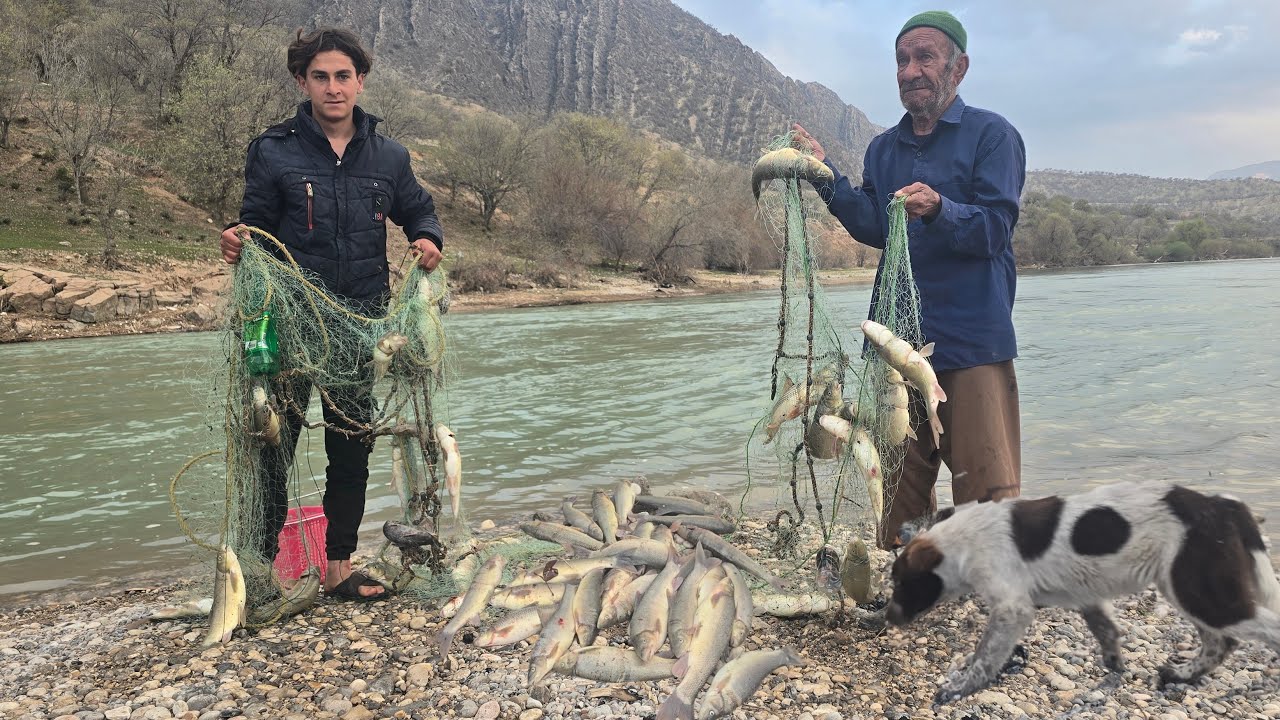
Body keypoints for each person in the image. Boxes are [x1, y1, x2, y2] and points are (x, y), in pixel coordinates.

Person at [219, 27, 444, 600]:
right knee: (274, 444)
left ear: (360, 81)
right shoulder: (275, 148)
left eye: (343, 76)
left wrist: (426, 237)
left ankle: (338, 566)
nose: (333, 87)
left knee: (352, 446)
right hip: (292, 323)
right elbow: (257, 222)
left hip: (362, 326)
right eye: (320, 76)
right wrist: (236, 240)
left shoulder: (388, 155)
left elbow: (417, 208)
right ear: (303, 82)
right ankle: (261, 569)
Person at [792, 11, 1026, 549]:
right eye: (902, 60)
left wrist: (941, 208)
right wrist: (827, 175)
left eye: (925, 57)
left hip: (970, 342)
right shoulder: (883, 149)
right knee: (899, 478)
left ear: (958, 67)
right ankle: (913, 580)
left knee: (987, 486)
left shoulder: (992, 136)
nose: (911, 70)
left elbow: (995, 229)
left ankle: (999, 594)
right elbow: (876, 225)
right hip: (895, 342)